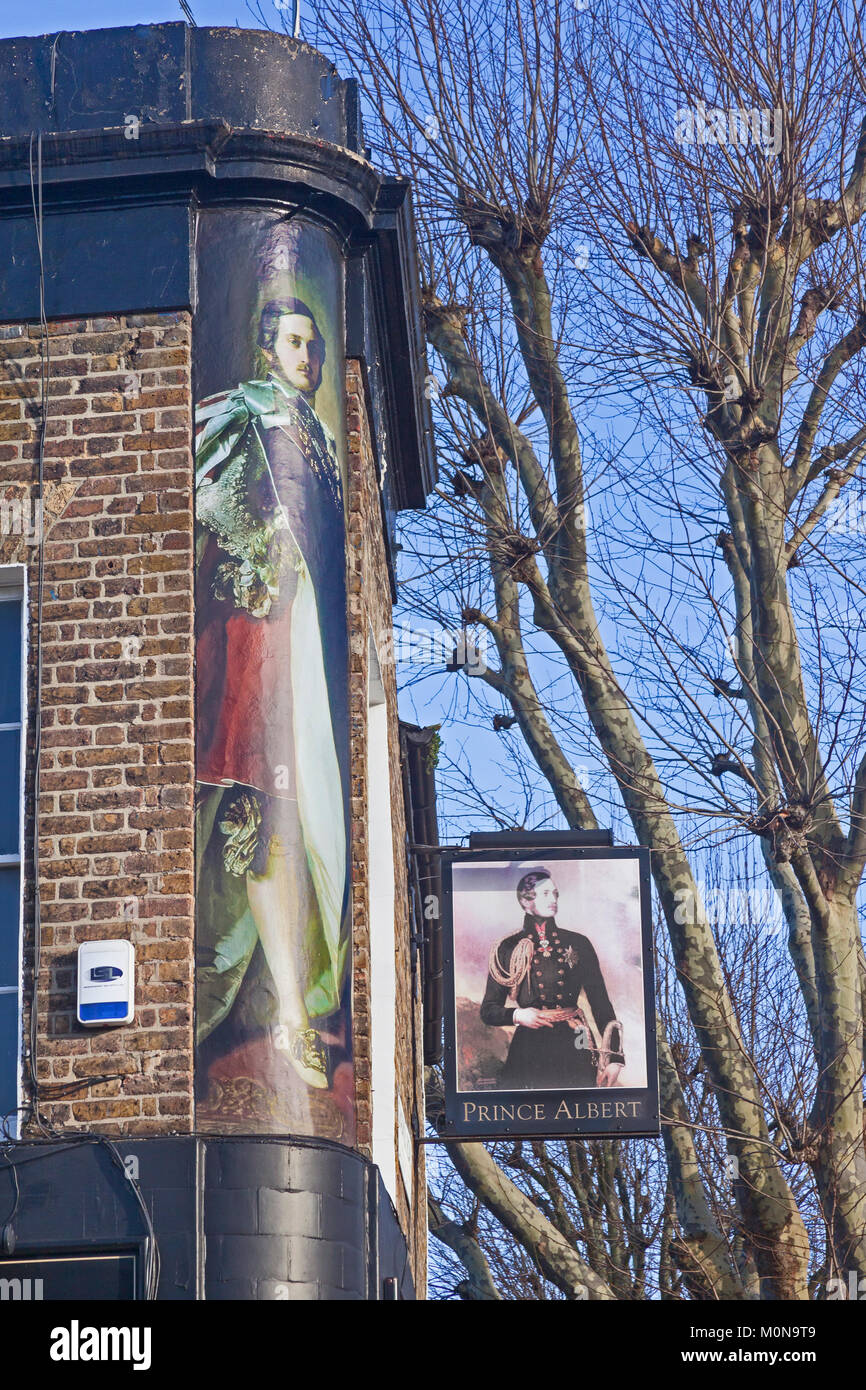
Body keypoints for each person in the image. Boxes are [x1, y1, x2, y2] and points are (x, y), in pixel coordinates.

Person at [194, 296, 349, 1094]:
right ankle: (282, 1011)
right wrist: (259, 555)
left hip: (302, 648)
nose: (307, 359)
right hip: (254, 644)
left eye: (314, 347)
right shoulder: (241, 413)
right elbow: (206, 500)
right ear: (264, 350)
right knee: (258, 818)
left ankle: (287, 1006)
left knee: (292, 816)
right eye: (294, 344)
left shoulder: (318, 438)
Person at [480, 867, 624, 1090]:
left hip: (576, 1039)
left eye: (555, 893)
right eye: (545, 894)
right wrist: (518, 1015)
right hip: (529, 1045)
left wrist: (614, 1058)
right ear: (526, 901)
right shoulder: (507, 948)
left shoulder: (578, 943)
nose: (554, 899)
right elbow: (488, 1010)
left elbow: (600, 1002)